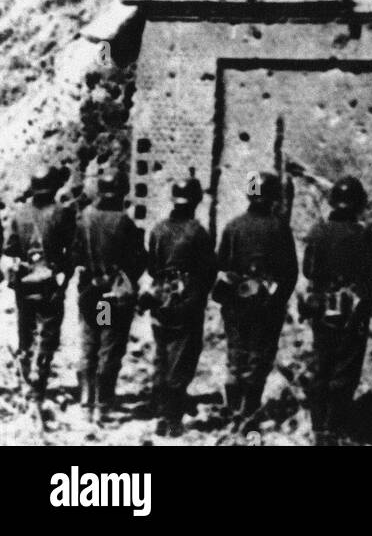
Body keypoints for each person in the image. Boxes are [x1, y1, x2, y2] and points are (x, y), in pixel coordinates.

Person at [302, 175, 372, 445]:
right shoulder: (365, 237)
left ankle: (318, 429)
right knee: (344, 372)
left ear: (333, 202)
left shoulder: (318, 232)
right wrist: (362, 308)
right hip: (353, 315)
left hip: (322, 312)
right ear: (359, 204)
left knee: (321, 367)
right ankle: (333, 429)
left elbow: (308, 271)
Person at [215, 171, 298, 428]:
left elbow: (221, 266)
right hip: (266, 309)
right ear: (272, 196)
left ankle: (231, 410)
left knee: (235, 357)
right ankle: (248, 412)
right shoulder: (280, 229)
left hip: (236, 306)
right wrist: (276, 301)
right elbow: (290, 274)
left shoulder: (233, 227)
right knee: (259, 360)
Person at [73, 168, 145, 423]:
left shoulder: (84, 218)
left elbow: (75, 255)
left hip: (90, 294)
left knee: (89, 344)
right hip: (109, 298)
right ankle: (102, 403)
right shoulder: (123, 222)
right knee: (109, 346)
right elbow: (138, 262)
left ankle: (85, 399)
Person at [146, 173, 216, 437]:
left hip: (160, 299)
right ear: (196, 201)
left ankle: (159, 406)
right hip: (187, 303)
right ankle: (171, 418)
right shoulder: (198, 233)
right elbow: (208, 272)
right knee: (182, 358)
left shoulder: (158, 230)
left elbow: (153, 267)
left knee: (162, 354)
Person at [3, 166, 74, 403]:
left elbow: (10, 250)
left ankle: (28, 379)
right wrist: (64, 279)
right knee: (49, 336)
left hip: (25, 287)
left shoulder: (19, 215)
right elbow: (72, 253)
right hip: (57, 288)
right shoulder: (63, 214)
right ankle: (41, 385)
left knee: (27, 333)